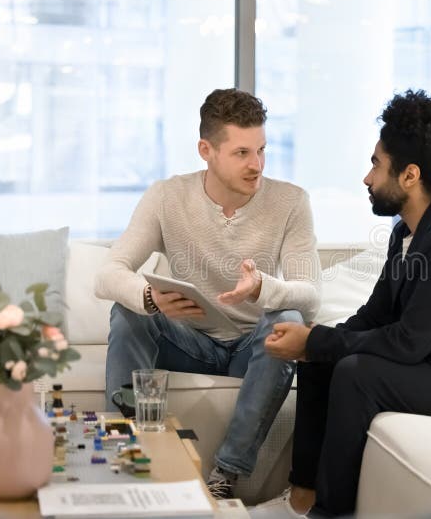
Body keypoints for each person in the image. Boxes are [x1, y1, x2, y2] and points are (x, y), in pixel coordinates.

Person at [257, 90, 431, 517]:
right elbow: (377, 314)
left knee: (356, 372)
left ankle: (330, 512)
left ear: (409, 175)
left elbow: (409, 343)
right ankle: (301, 500)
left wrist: (315, 341)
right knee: (322, 358)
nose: (367, 178)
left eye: (376, 164)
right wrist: (316, 342)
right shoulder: (407, 232)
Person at [95, 88, 321, 500]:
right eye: (241, 153)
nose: (257, 165)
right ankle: (127, 451)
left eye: (262, 150)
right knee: (127, 313)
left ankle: (226, 475)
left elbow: (310, 296)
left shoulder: (291, 202)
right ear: (206, 150)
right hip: (191, 342)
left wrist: (263, 288)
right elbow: (107, 273)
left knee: (287, 320)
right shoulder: (167, 197)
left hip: (254, 351)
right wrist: (150, 298)